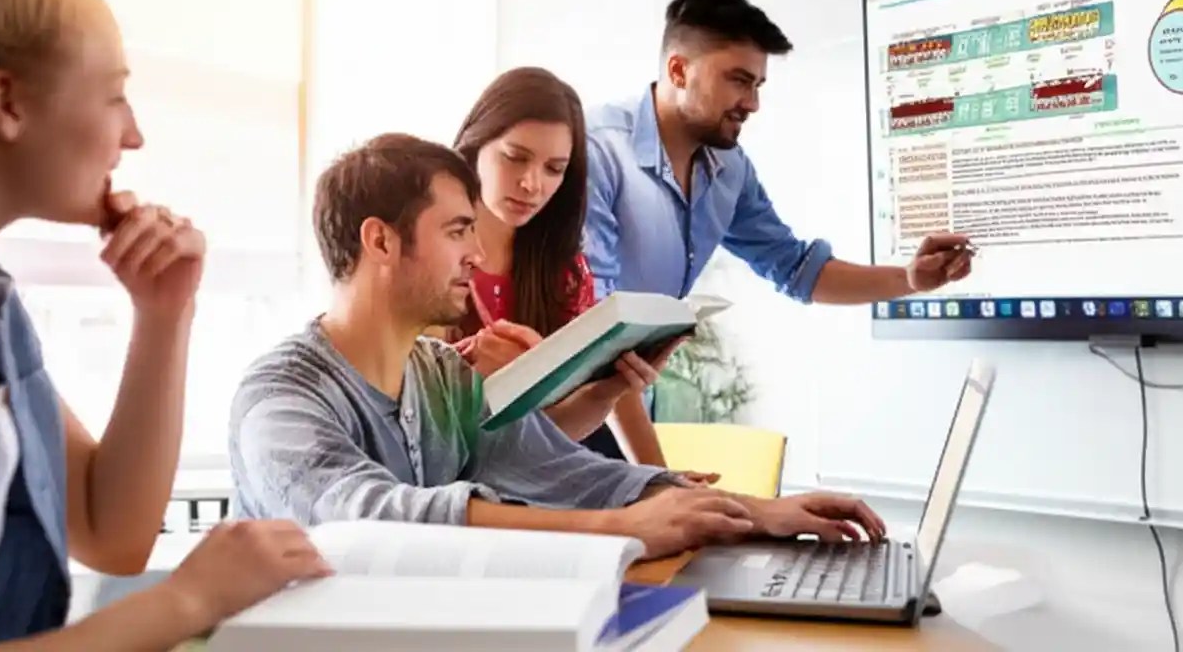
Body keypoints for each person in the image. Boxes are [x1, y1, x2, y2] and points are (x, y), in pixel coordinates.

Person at [0, 0, 329, 649]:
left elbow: (112, 532)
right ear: (6, 101)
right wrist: (190, 598)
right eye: (113, 95)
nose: (133, 134)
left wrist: (164, 314)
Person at [228, 132, 886, 561]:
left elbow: (565, 473)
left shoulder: (437, 376)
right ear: (381, 242)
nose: (479, 254)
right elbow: (366, 521)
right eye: (459, 231)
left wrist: (759, 511)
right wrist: (617, 532)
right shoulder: (280, 399)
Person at [581, 0, 976, 461]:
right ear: (678, 69)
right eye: (738, 80)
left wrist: (909, 280)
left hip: (627, 408)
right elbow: (595, 334)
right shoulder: (598, 151)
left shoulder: (729, 170)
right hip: (565, 417)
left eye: (757, 86)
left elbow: (796, 269)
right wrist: (657, 478)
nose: (752, 103)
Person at [442, 66, 684, 447]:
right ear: (475, 144)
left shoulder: (565, 268)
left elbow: (558, 428)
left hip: (548, 459)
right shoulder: (432, 252)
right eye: (515, 157)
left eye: (554, 169)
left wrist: (663, 480)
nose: (532, 185)